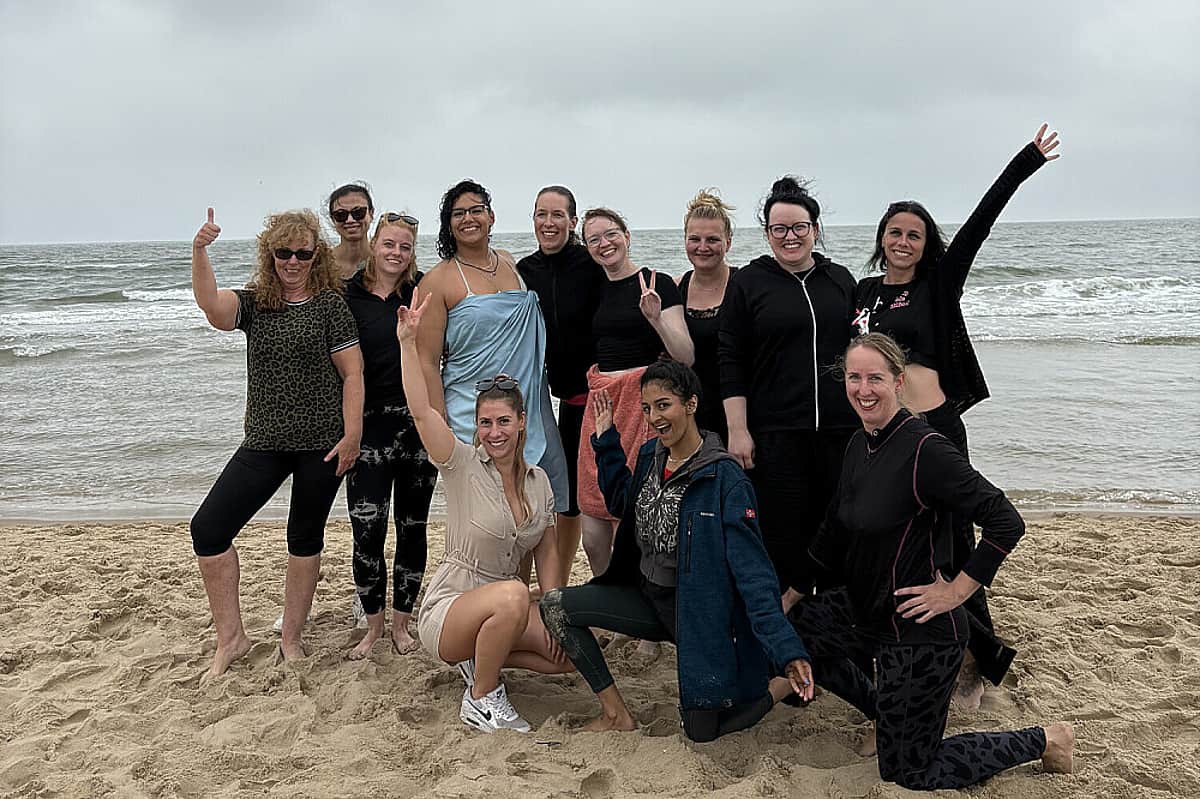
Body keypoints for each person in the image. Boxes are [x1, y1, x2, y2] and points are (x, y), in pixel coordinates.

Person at [790, 333, 1074, 790]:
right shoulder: (859, 443)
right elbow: (833, 530)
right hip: (866, 612)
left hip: (919, 630)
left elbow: (1006, 521)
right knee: (792, 627)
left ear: (899, 382)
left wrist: (956, 591)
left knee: (908, 771)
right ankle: (886, 712)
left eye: (876, 378)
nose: (864, 389)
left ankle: (1044, 739)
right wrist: (791, 594)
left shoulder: (926, 450)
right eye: (854, 377)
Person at [853, 124, 1063, 700]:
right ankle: (916, 644)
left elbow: (981, 222)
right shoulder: (863, 292)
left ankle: (981, 663)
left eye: (914, 235)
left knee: (952, 543)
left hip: (935, 431)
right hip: (884, 438)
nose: (903, 241)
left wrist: (1025, 161)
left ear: (926, 244)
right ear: (881, 238)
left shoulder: (940, 284)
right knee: (898, 544)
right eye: (894, 232)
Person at [540, 360, 814, 742]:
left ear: (691, 404)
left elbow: (755, 575)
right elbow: (624, 503)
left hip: (699, 617)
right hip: (648, 600)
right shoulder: (652, 455)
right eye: (648, 408)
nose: (654, 417)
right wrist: (606, 442)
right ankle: (615, 712)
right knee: (554, 607)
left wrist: (787, 650)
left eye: (664, 405)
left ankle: (779, 685)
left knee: (703, 733)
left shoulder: (725, 479)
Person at [188, 207, 363, 676]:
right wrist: (200, 250)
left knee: (303, 539)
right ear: (270, 255)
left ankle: (291, 637)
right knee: (208, 529)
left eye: (302, 253)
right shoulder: (255, 303)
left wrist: (352, 435)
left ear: (315, 256)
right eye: (283, 252)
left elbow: (352, 373)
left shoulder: (330, 305)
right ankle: (232, 639)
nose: (293, 261)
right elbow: (211, 306)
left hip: (321, 445)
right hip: (264, 441)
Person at [397, 286, 572, 734]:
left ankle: (483, 656)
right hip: (450, 609)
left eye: (503, 422)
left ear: (522, 424)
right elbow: (421, 413)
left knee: (571, 653)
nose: (494, 433)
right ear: (476, 426)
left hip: (503, 609)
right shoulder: (461, 464)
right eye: (485, 422)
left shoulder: (539, 482)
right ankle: (482, 698)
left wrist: (554, 612)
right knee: (514, 592)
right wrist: (408, 344)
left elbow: (549, 551)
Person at [718, 177, 857, 608]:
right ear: (766, 233)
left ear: (815, 229)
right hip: (776, 432)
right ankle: (784, 631)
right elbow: (730, 358)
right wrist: (737, 430)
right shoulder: (750, 283)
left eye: (798, 227)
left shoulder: (839, 280)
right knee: (782, 533)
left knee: (837, 529)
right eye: (779, 228)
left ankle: (832, 626)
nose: (789, 236)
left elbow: (865, 352)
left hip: (840, 430)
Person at [415, 180, 570, 519]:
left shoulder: (510, 262)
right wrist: (440, 425)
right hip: (474, 413)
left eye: (476, 210)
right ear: (448, 224)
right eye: (458, 213)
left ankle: (525, 576)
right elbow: (426, 361)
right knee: (490, 518)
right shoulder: (438, 280)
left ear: (491, 216)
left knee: (537, 510)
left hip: (530, 405)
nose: (468, 218)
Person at [577, 207, 694, 577]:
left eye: (610, 233)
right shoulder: (592, 288)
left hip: (644, 403)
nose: (604, 243)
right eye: (593, 239)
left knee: (635, 518)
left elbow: (686, 356)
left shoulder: (657, 283)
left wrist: (656, 319)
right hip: (602, 400)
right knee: (593, 530)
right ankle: (608, 607)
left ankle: (644, 621)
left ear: (626, 235)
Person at [342, 212, 438, 659]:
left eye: (404, 246)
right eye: (389, 244)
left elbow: (440, 356)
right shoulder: (349, 295)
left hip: (416, 426)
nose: (396, 253)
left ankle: (402, 623)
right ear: (374, 245)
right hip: (368, 427)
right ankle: (373, 627)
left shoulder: (420, 293)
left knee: (412, 528)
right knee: (367, 531)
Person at [516, 186, 607, 580]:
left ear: (573, 222)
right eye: (541, 214)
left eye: (557, 215)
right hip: (562, 398)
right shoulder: (524, 270)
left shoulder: (592, 264)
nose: (548, 223)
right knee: (566, 499)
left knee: (600, 498)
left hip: (599, 397)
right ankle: (565, 579)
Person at [677, 189, 737, 443]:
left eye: (712, 239)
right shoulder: (675, 288)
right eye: (695, 239)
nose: (703, 248)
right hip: (690, 416)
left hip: (739, 413)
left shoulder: (744, 286)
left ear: (728, 242)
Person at [328, 182, 375, 279]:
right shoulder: (322, 263)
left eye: (358, 212)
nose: (350, 220)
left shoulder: (384, 262)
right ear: (333, 219)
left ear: (371, 214)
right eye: (341, 215)